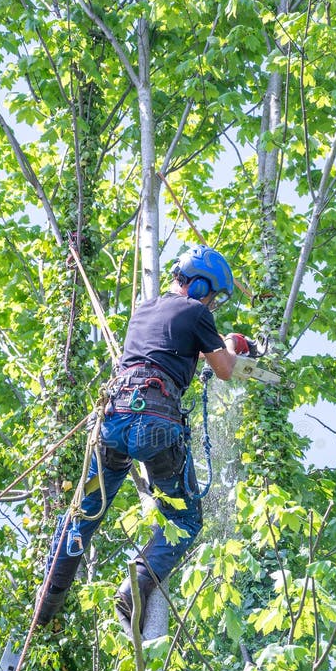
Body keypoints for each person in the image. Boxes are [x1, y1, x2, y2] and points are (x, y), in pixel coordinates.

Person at [36, 245, 254, 631]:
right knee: (184, 520)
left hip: (114, 421)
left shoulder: (145, 310)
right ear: (201, 284)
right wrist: (234, 349)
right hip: (155, 423)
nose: (211, 304)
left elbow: (170, 342)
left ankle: (48, 601)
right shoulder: (197, 312)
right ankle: (134, 586)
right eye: (211, 296)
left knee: (85, 512)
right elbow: (222, 370)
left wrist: (216, 338)